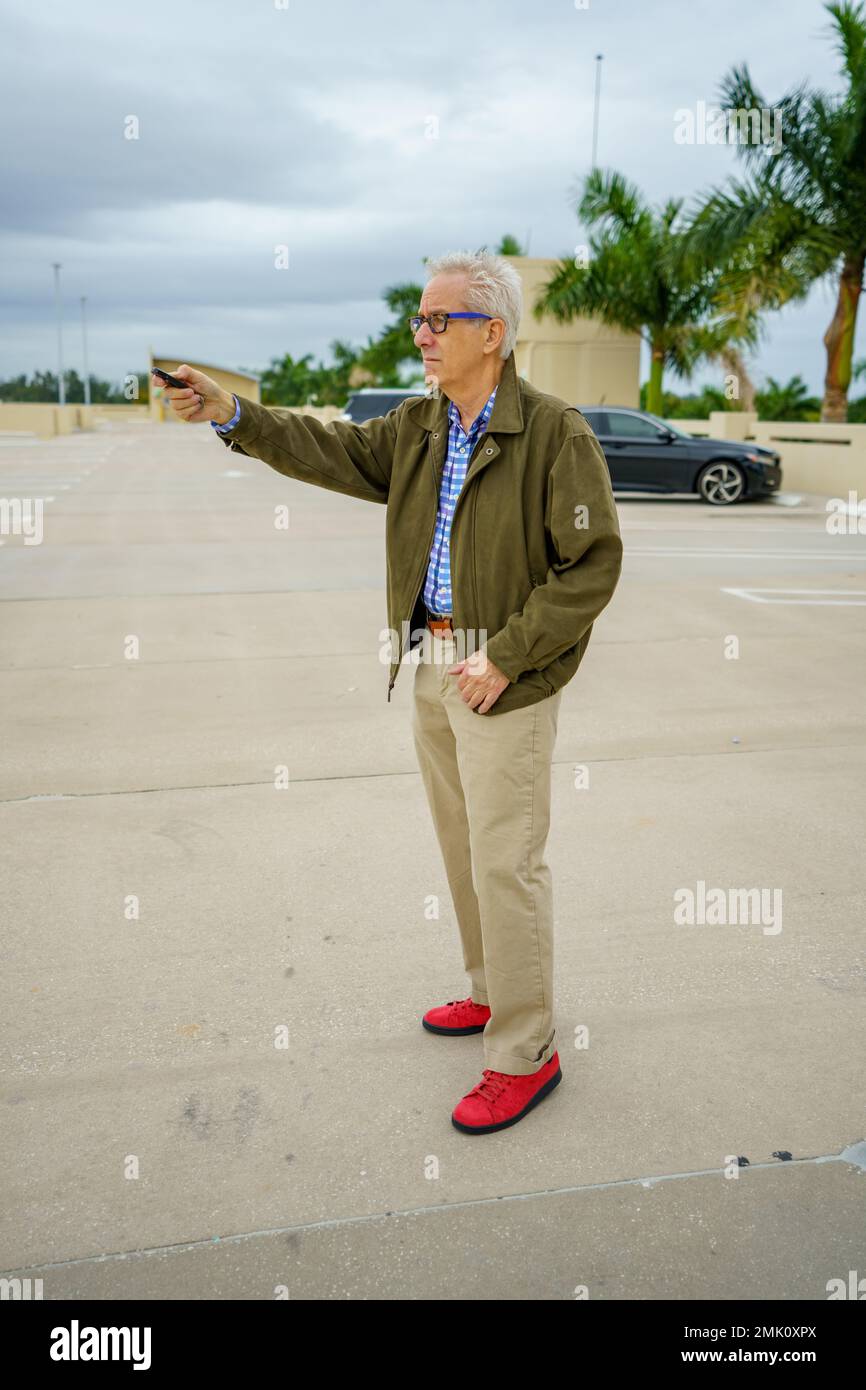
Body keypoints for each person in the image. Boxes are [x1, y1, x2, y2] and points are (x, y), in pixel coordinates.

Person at [153, 249, 623, 1135]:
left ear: (494, 333)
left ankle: (527, 1052)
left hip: (502, 678)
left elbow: (590, 565)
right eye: (418, 319)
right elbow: (327, 447)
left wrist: (506, 657)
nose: (421, 334)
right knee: (462, 851)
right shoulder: (421, 427)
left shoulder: (555, 433)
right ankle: (492, 994)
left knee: (506, 865)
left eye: (439, 320)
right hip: (435, 668)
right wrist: (232, 414)